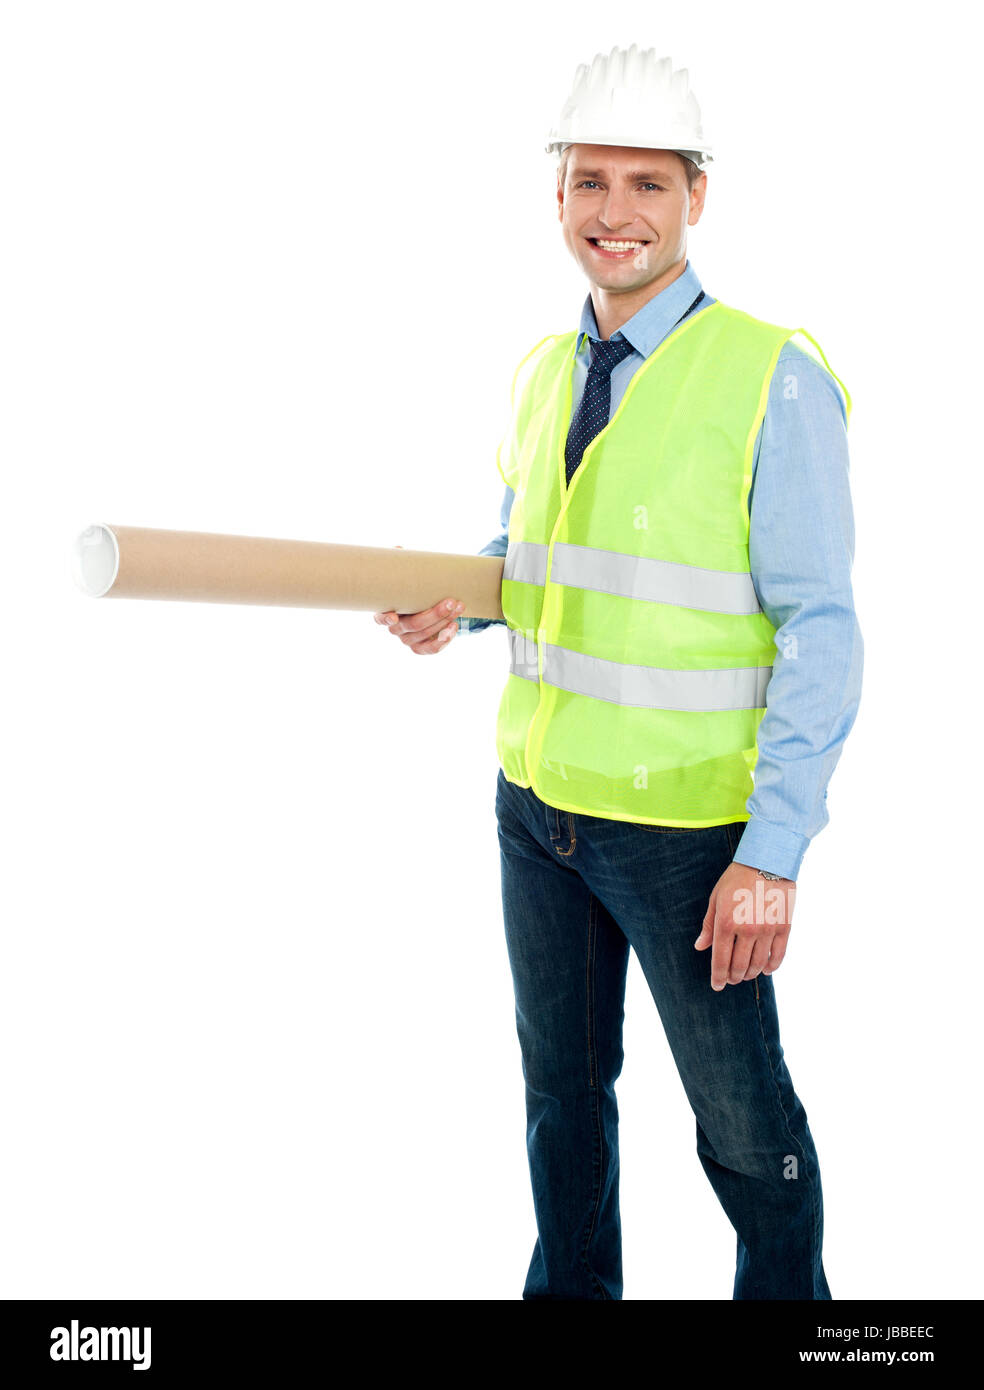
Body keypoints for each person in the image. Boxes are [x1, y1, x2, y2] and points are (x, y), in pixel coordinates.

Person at [373, 44, 862, 1301]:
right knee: (562, 1105)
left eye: (648, 184)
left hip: (689, 834)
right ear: (559, 196)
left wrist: (775, 849)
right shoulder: (546, 372)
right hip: (537, 809)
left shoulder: (770, 377)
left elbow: (822, 626)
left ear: (699, 196)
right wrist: (467, 603)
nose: (616, 215)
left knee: (747, 1136)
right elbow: (541, 552)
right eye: (592, 182)